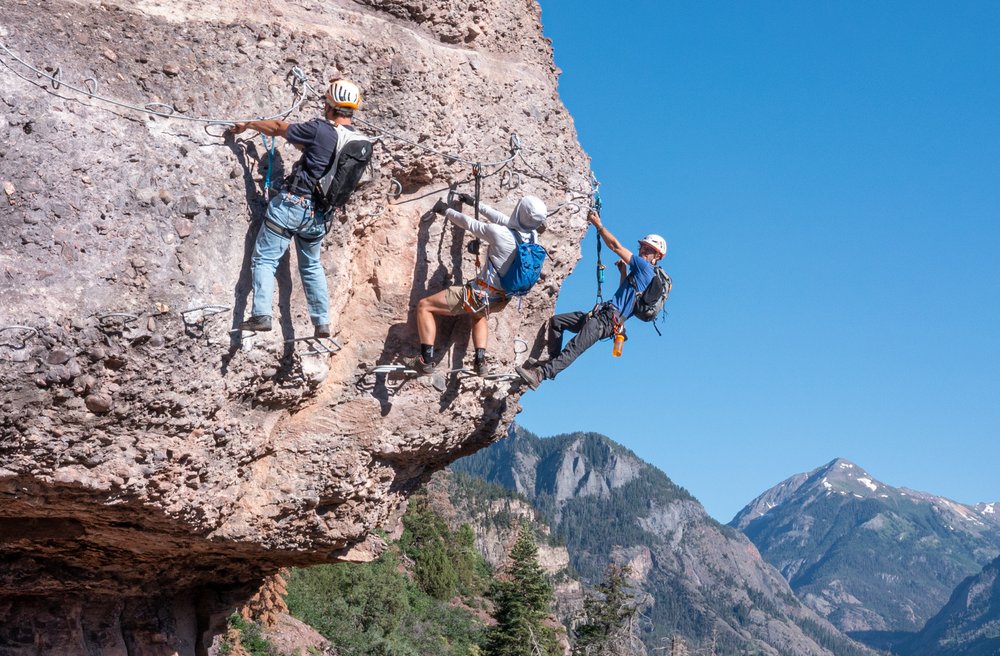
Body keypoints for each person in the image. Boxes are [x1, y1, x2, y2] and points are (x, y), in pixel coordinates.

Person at [229, 78, 366, 338]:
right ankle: (322, 322)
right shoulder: (359, 141)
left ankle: (260, 315)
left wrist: (248, 124)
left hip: (294, 204)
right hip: (322, 215)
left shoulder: (321, 130)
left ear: (329, 105)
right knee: (312, 265)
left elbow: (279, 127)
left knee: (265, 258)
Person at [516, 210, 667, 389]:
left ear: (657, 256)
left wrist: (598, 225)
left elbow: (616, 247)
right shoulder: (640, 274)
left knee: (575, 346)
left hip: (606, 320)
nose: (643, 251)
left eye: (649, 250)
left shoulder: (644, 268)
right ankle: (552, 361)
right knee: (557, 322)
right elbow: (625, 297)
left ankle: (541, 374)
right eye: (642, 247)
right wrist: (623, 273)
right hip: (605, 315)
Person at [405, 194, 547, 376]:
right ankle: (481, 363)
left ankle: (425, 360)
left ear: (520, 211)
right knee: (479, 314)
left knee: (425, 306)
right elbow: (501, 219)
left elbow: (470, 224)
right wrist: (476, 203)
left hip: (479, 295)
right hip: (500, 299)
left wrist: (445, 211)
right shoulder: (533, 236)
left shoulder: (501, 234)